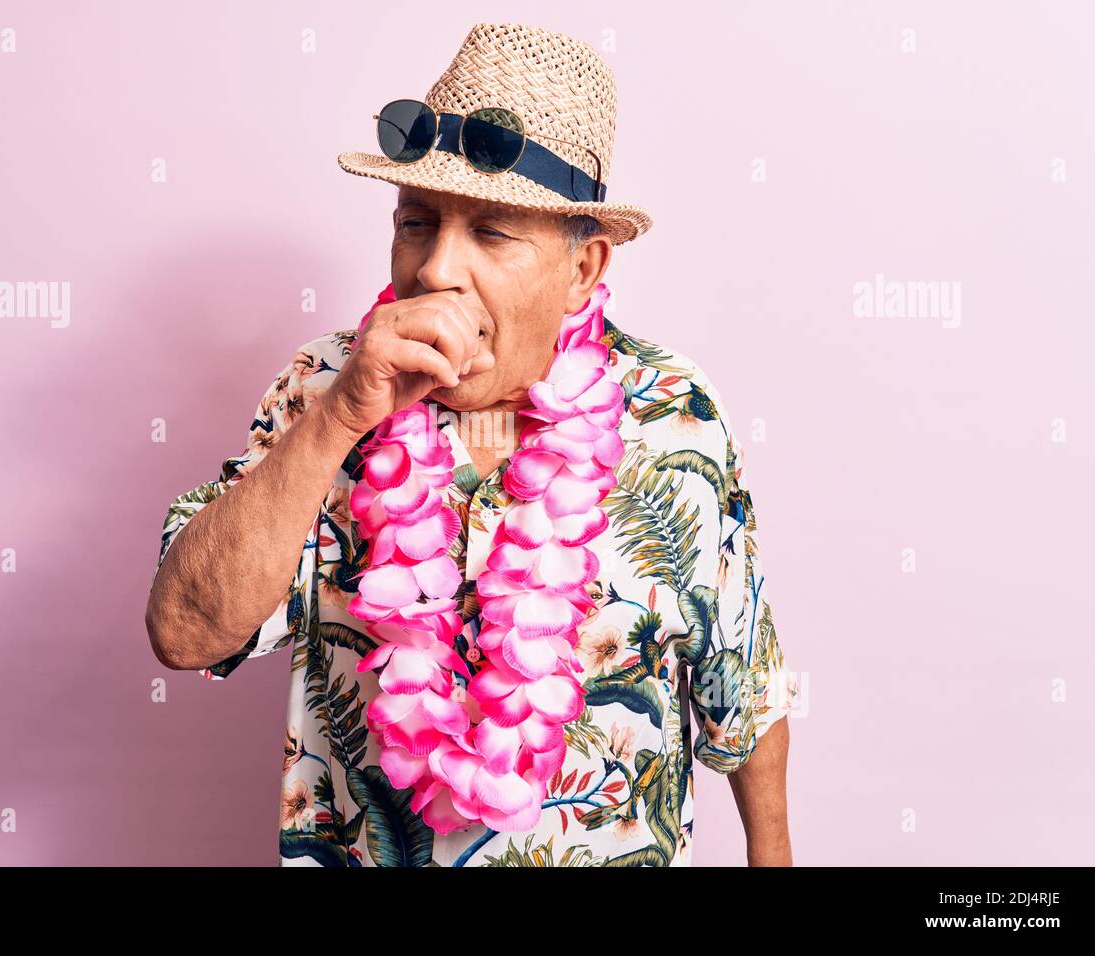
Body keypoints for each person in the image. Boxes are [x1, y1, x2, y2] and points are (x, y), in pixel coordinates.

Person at [146, 21, 799, 867]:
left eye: (492, 232)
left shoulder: (677, 414)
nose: (437, 269)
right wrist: (341, 416)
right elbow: (186, 633)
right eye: (418, 222)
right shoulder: (319, 388)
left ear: (583, 270)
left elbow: (743, 682)